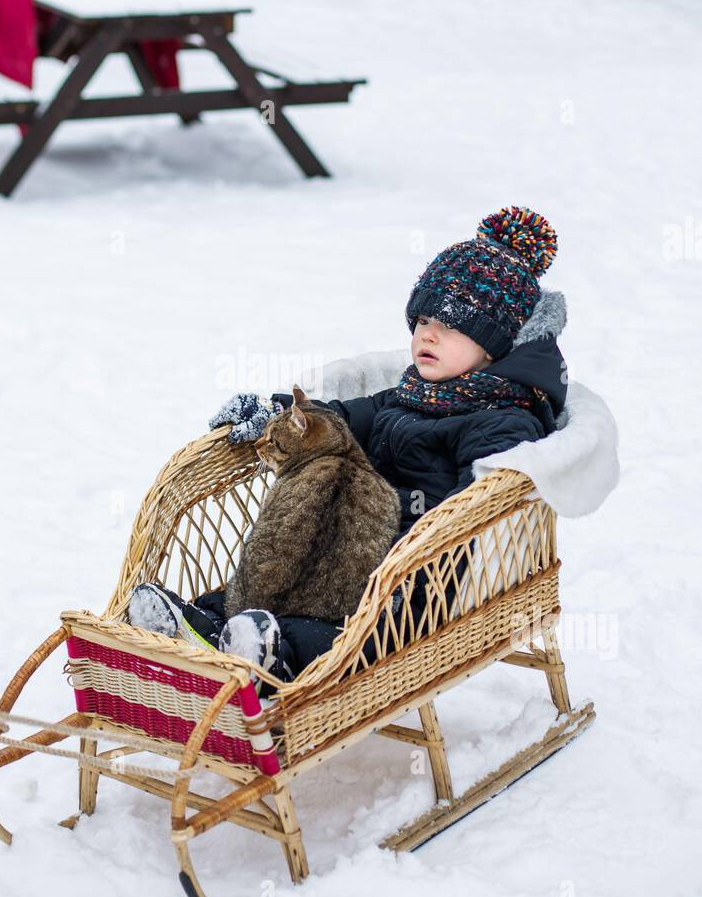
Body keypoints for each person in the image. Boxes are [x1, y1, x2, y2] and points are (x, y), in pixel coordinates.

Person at [128, 206, 567, 694]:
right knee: (276, 583)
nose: (428, 333)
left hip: (413, 586)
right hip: (345, 553)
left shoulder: (503, 419)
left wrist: (402, 563)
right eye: (422, 318)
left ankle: (270, 658)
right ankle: (195, 626)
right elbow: (334, 417)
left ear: (495, 346)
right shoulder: (407, 394)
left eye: (452, 324)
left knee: (339, 629)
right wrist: (277, 412)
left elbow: (480, 499)